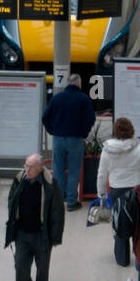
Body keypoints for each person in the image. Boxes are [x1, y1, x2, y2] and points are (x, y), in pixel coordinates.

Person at [5, 154, 65, 281]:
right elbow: (11, 201)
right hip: (22, 233)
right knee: (20, 265)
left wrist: (55, 237)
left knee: (42, 267)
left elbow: (58, 211)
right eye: (26, 166)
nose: (27, 170)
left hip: (42, 234)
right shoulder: (19, 180)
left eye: (31, 167)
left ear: (40, 168)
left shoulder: (50, 184)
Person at [41, 73, 96, 212]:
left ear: (67, 83)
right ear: (79, 84)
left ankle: (58, 201)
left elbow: (45, 117)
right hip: (76, 140)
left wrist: (52, 130)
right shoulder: (84, 98)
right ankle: (71, 202)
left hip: (58, 139)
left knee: (58, 169)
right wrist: (83, 132)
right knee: (74, 171)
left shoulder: (57, 98)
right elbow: (90, 119)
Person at [96, 116, 140, 210]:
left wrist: (101, 195)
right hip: (137, 189)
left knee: (118, 217)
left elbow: (102, 175)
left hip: (116, 189)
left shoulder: (107, 149)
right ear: (131, 130)